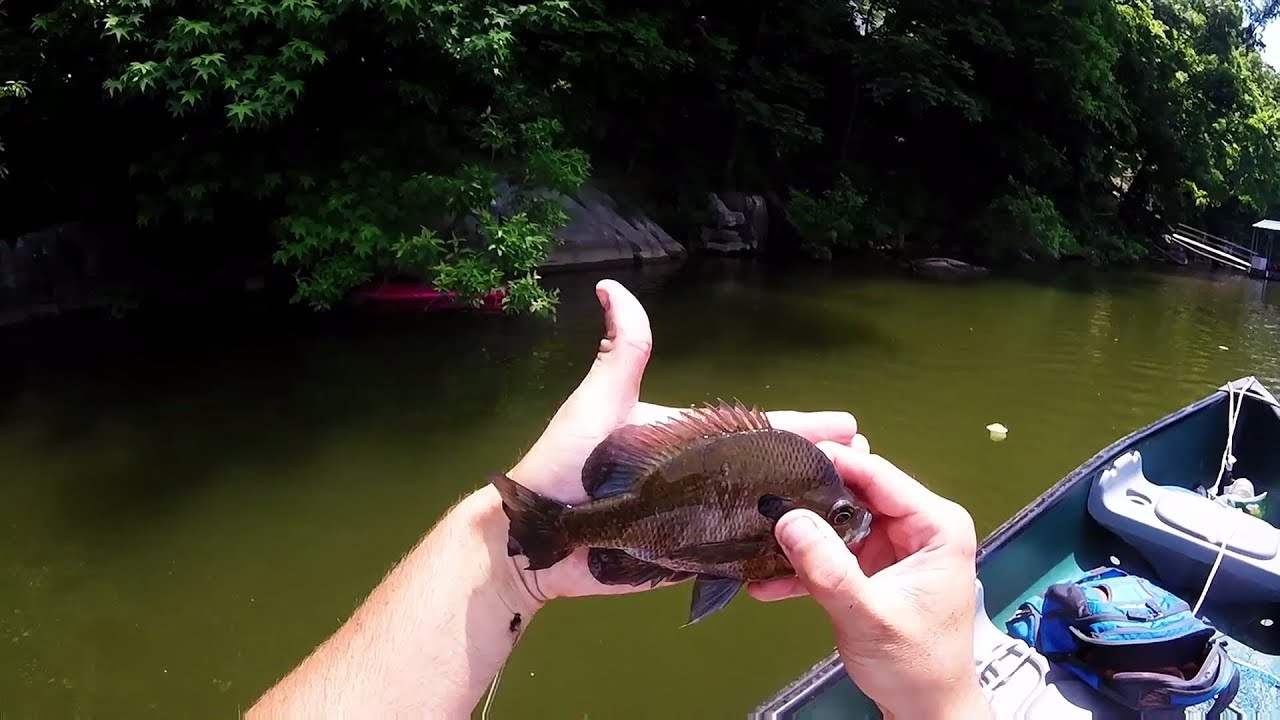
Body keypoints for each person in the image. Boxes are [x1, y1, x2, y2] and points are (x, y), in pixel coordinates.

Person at [246, 280, 992, 720]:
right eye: (839, 521)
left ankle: (544, 534)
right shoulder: (796, 499)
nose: (844, 532)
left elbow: (719, 558)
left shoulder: (798, 482)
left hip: (617, 530)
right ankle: (546, 531)